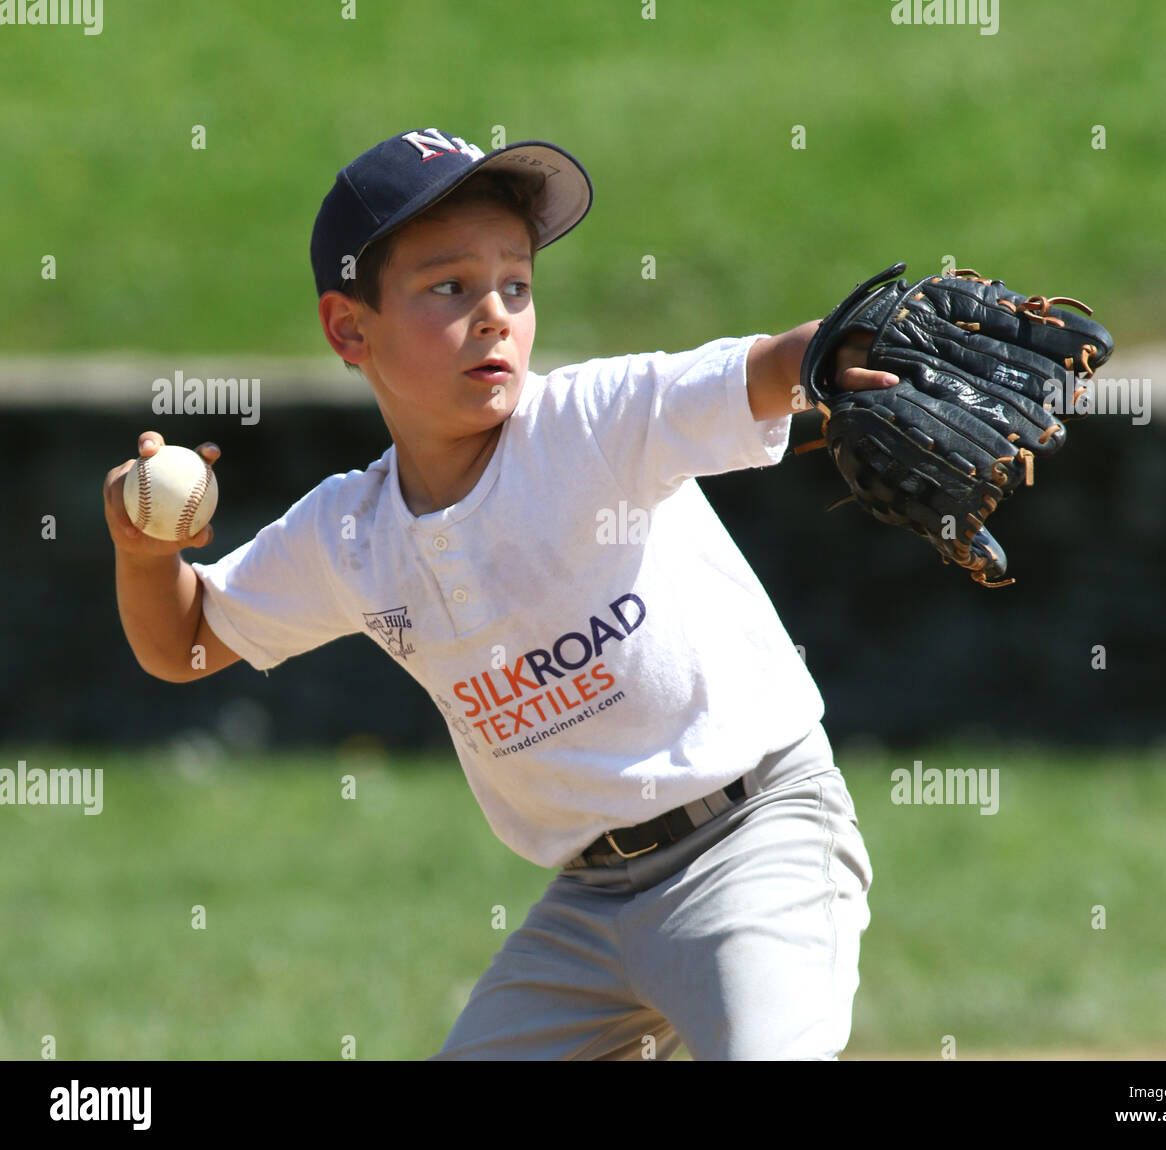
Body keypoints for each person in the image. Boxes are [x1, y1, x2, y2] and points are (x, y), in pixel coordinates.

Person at [102, 126, 899, 1060]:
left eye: (515, 286)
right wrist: (142, 552)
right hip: (591, 905)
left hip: (756, 842)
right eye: (449, 287)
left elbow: (757, 371)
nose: (494, 314)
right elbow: (185, 644)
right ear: (349, 327)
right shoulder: (350, 535)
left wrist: (836, 354)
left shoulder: (587, 426)